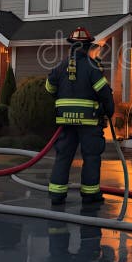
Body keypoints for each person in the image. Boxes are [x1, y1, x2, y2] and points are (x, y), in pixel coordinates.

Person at [45, 27, 114, 205]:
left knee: (63, 155)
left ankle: (56, 194)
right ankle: (90, 195)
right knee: (91, 156)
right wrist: (109, 110)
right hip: (89, 121)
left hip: (65, 120)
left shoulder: (60, 66)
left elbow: (49, 88)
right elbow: (104, 93)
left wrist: (63, 98)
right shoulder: (92, 67)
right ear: (87, 46)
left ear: (71, 46)